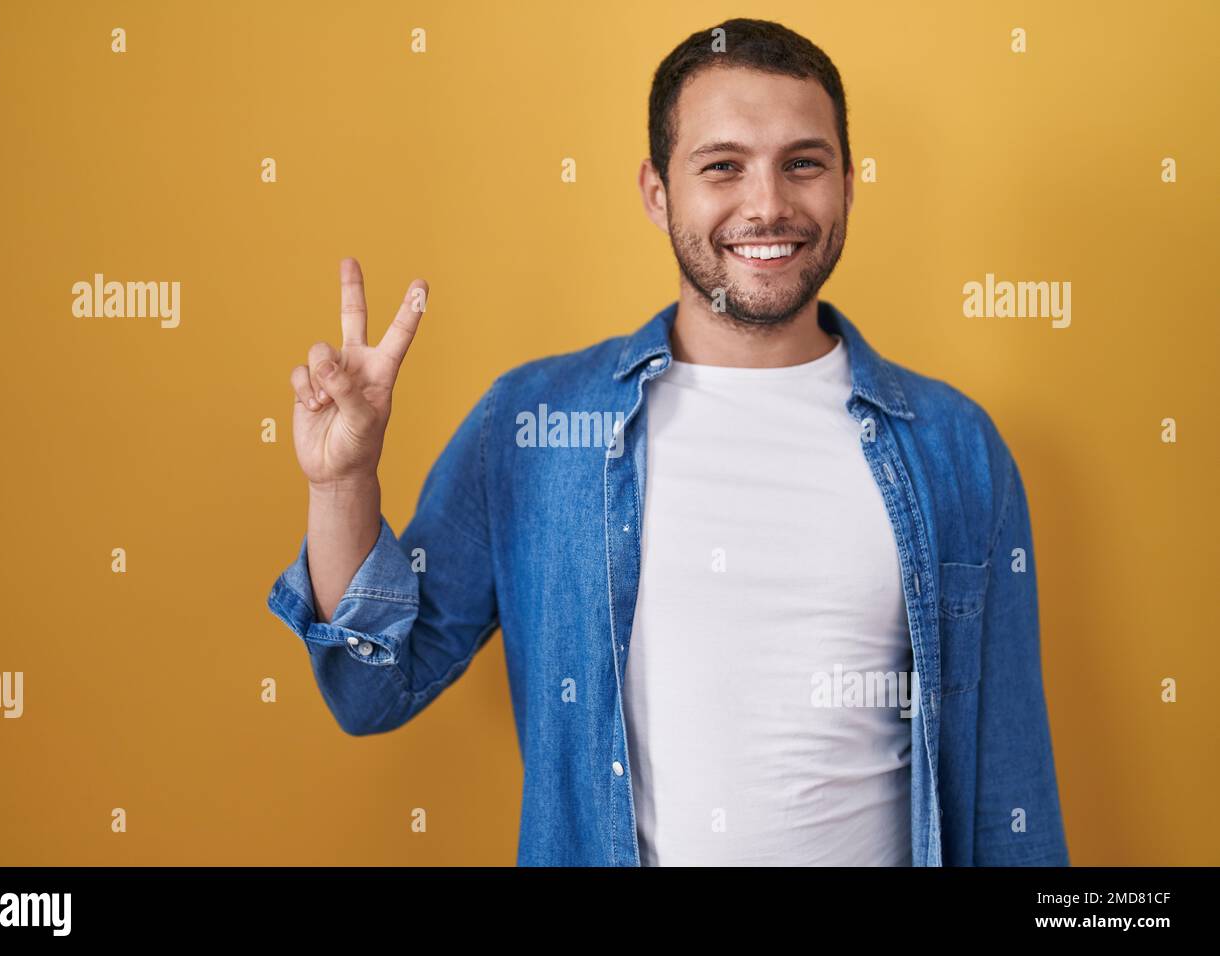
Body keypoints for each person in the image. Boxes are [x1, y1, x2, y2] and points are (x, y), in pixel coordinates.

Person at [268, 17, 1069, 867]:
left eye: (803, 163)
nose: (768, 204)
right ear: (656, 192)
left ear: (848, 183)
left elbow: (1006, 787)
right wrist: (341, 485)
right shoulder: (535, 427)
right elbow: (370, 691)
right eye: (722, 166)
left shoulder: (954, 446)